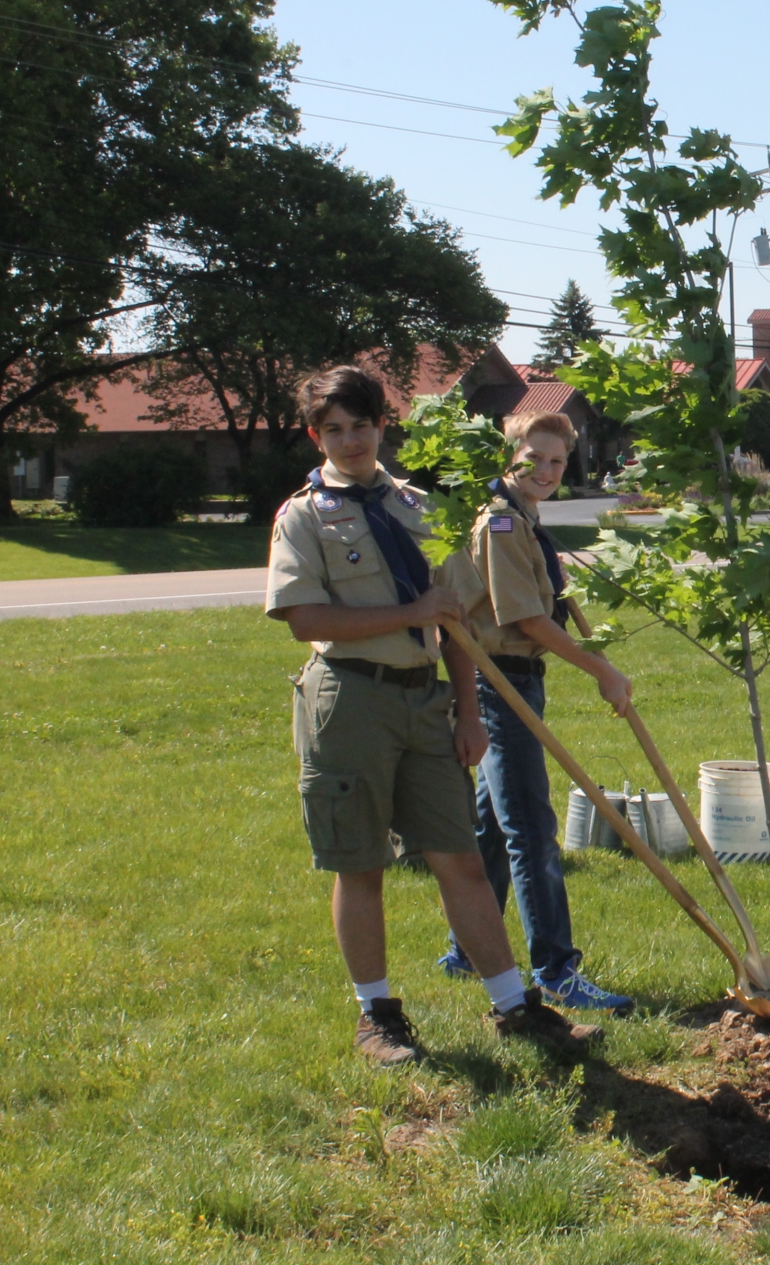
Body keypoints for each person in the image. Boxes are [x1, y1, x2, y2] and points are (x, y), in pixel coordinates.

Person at [265, 365, 601, 1066]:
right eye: (334, 430)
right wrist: (409, 612)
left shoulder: (421, 509)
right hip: (349, 697)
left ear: (382, 426)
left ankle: (516, 1006)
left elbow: (455, 622)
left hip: (428, 699)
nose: (351, 440)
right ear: (315, 435)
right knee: (360, 864)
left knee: (462, 859)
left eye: (362, 425)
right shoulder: (303, 515)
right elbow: (303, 618)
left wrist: (468, 713)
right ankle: (378, 1017)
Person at [435, 410, 637, 1014]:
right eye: (535, 458)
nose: (547, 470)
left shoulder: (524, 517)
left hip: (517, 680)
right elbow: (523, 619)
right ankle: (556, 970)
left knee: (495, 827)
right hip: (501, 684)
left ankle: (465, 950)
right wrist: (602, 669)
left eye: (557, 461)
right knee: (532, 833)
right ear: (510, 456)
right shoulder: (499, 521)